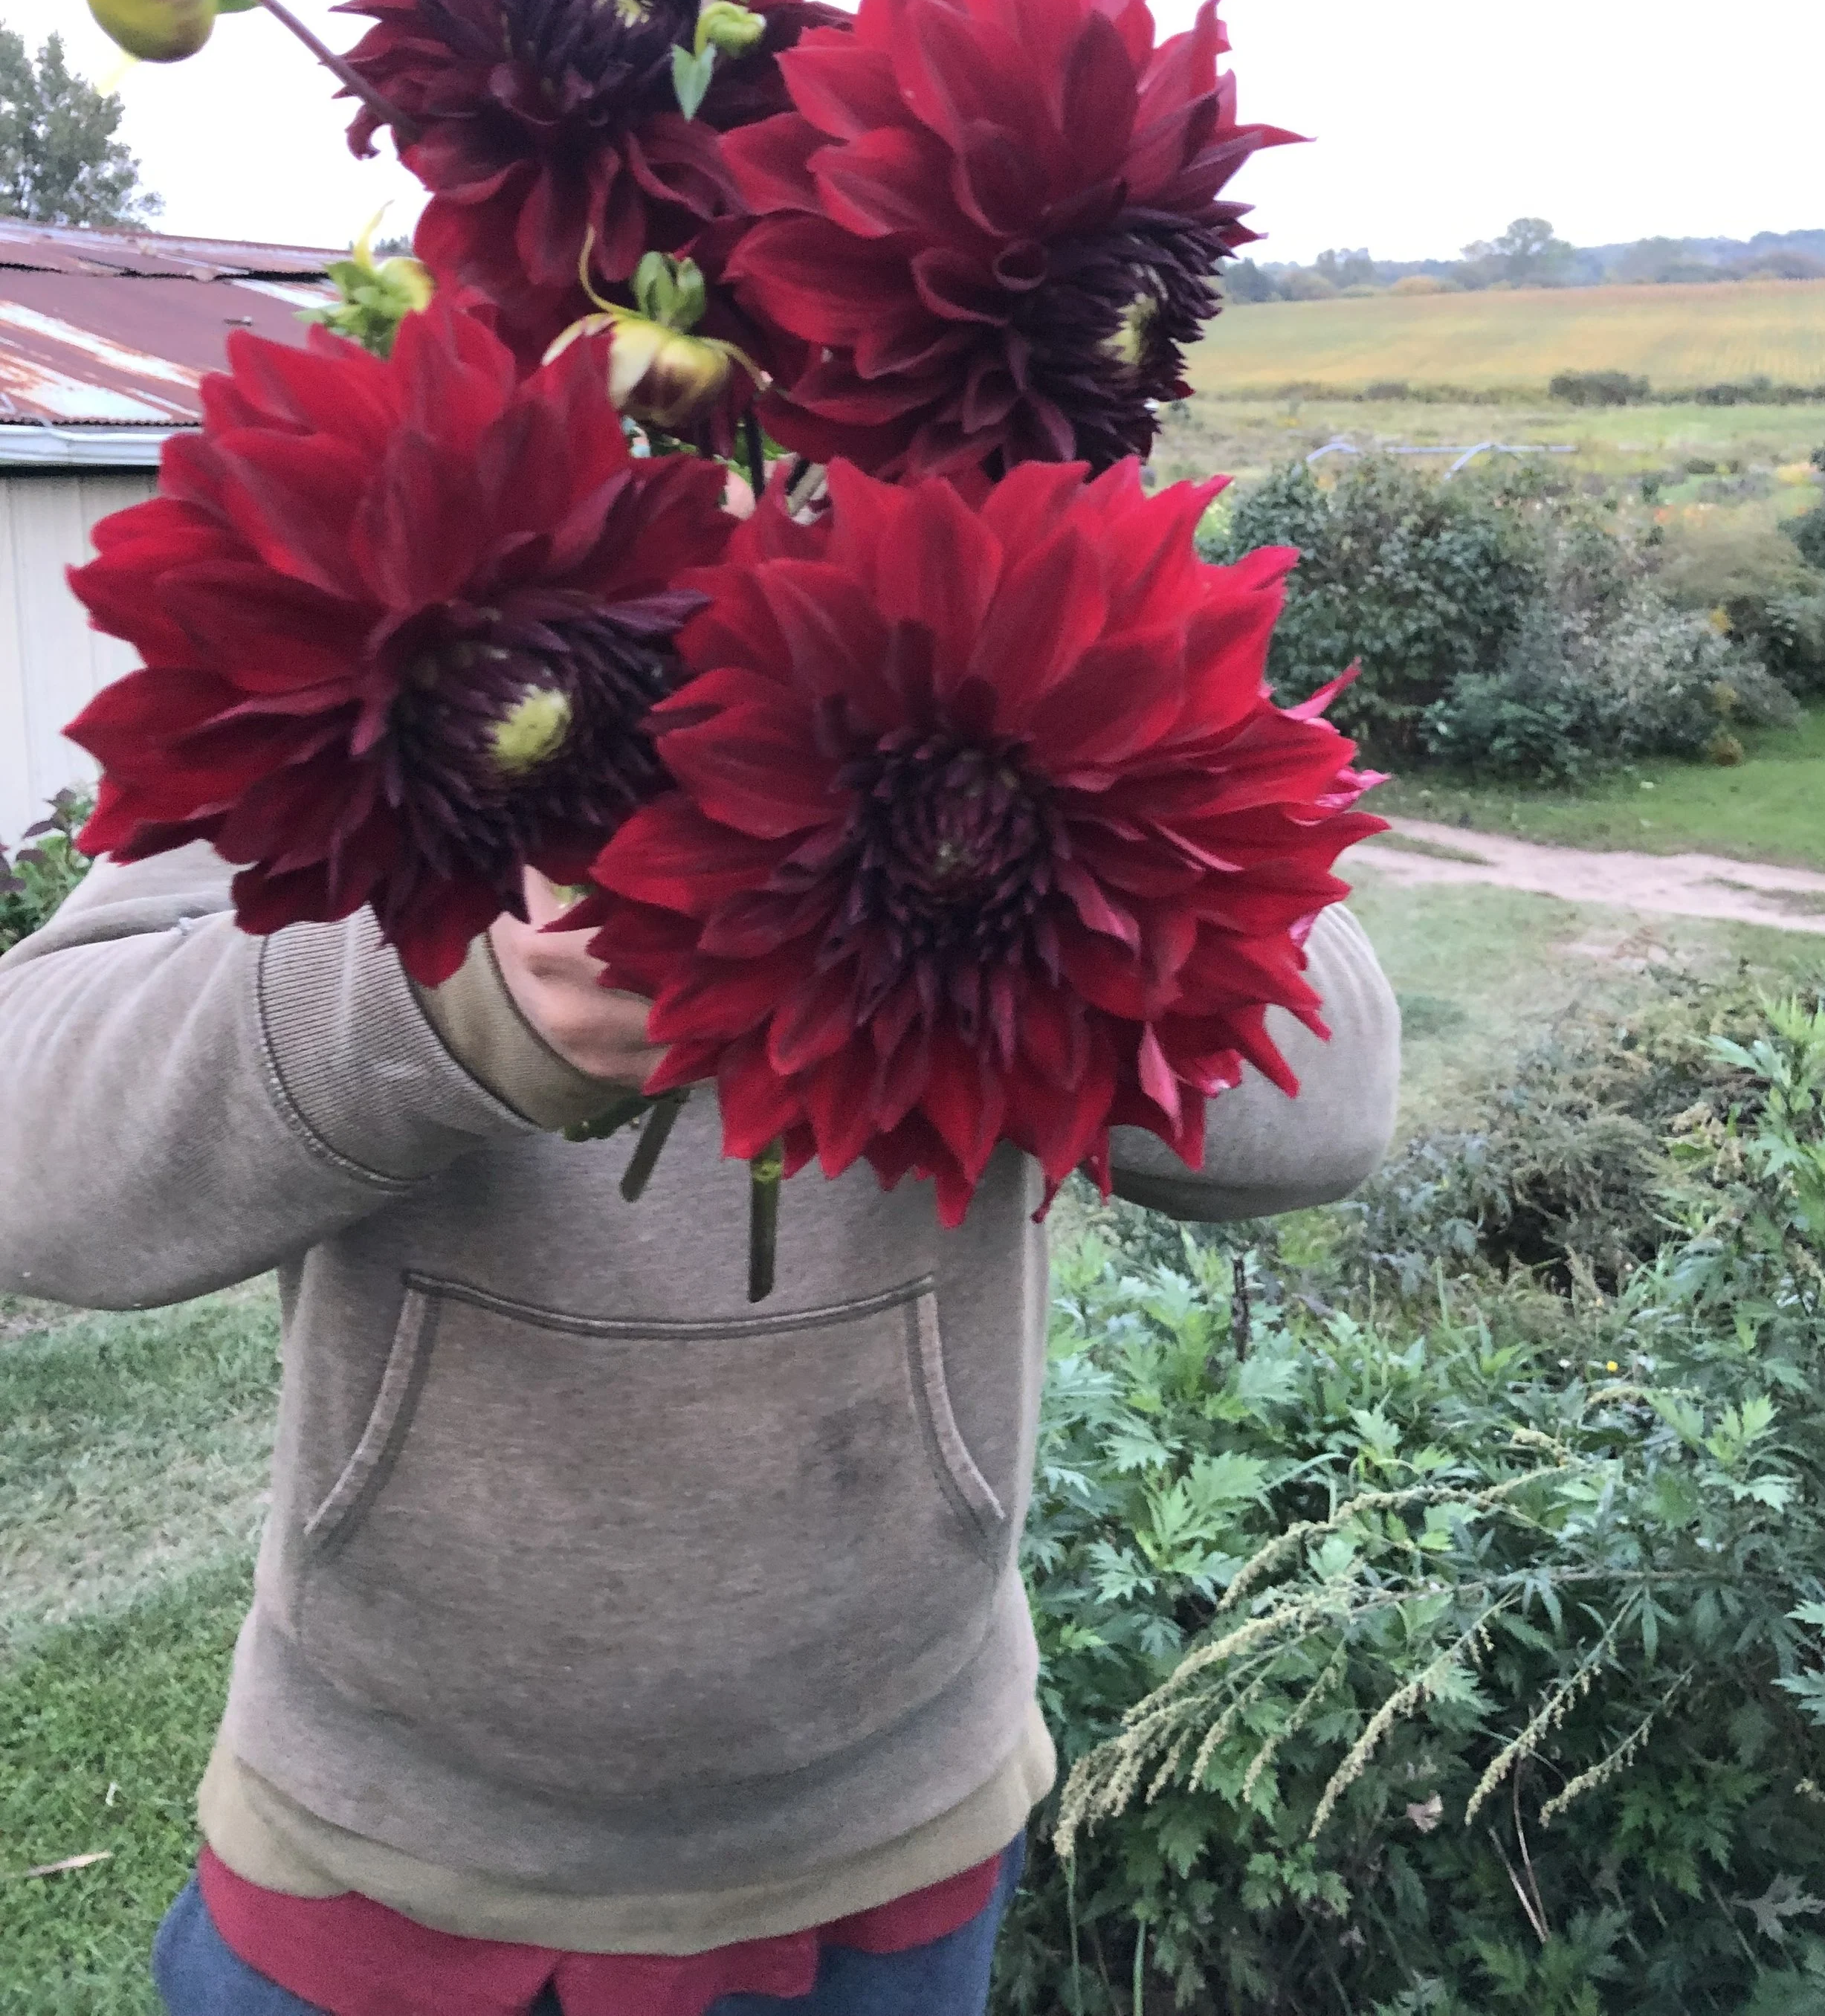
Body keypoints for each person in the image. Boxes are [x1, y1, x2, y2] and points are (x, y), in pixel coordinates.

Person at [0, 842, 1399, 2016]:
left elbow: (1329, 1094)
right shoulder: (401, 591)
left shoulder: (1026, 542)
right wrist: (445, 997)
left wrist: (993, 896)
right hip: (385, 1849)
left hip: (892, 1834)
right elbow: (33, 1143)